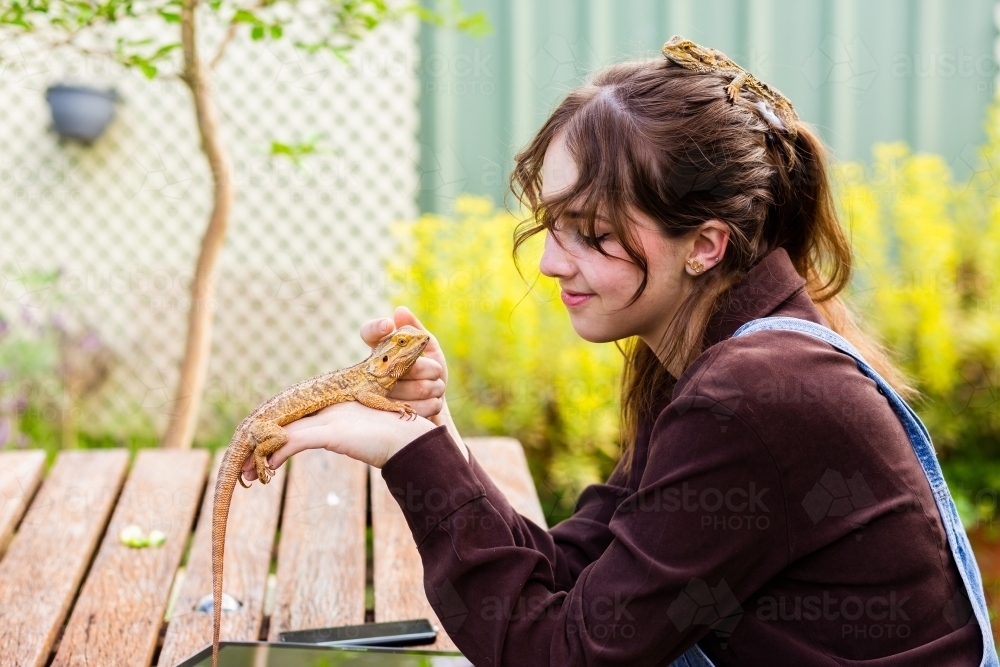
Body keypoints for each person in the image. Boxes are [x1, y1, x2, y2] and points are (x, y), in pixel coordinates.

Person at [243, 41, 996, 666]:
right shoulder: (730, 357)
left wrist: (417, 460)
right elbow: (576, 576)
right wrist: (429, 438)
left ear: (704, 244)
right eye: (552, 224)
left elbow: (562, 654)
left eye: (592, 232)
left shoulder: (753, 395)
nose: (549, 262)